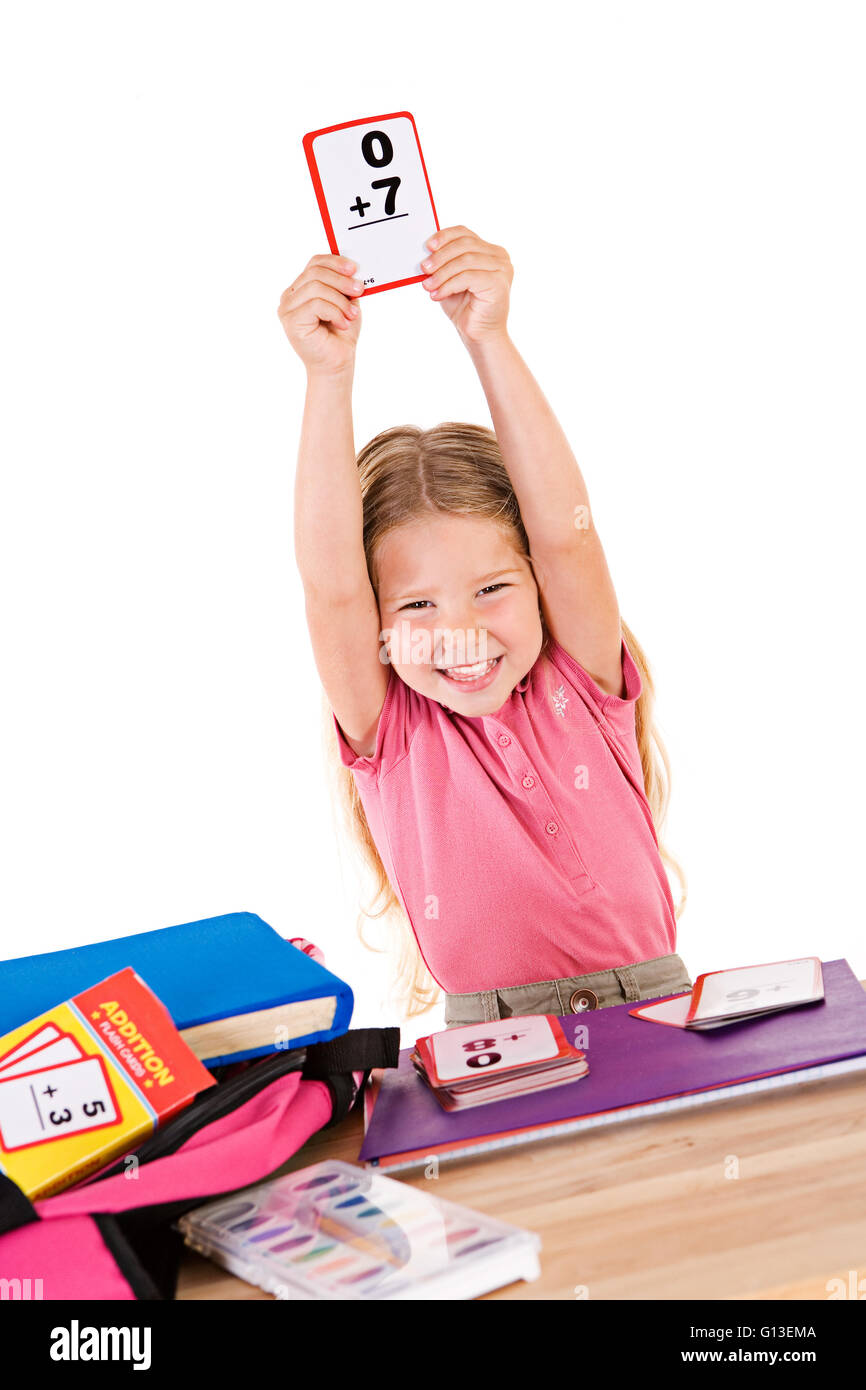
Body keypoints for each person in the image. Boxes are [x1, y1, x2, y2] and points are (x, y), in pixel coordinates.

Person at [278, 225, 691, 1026]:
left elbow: (567, 532)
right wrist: (329, 375)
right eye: (417, 606)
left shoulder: (582, 675)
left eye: (492, 588)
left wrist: (488, 336)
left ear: (539, 587)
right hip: (495, 1040)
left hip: (657, 1011)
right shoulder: (392, 727)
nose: (459, 630)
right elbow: (330, 589)